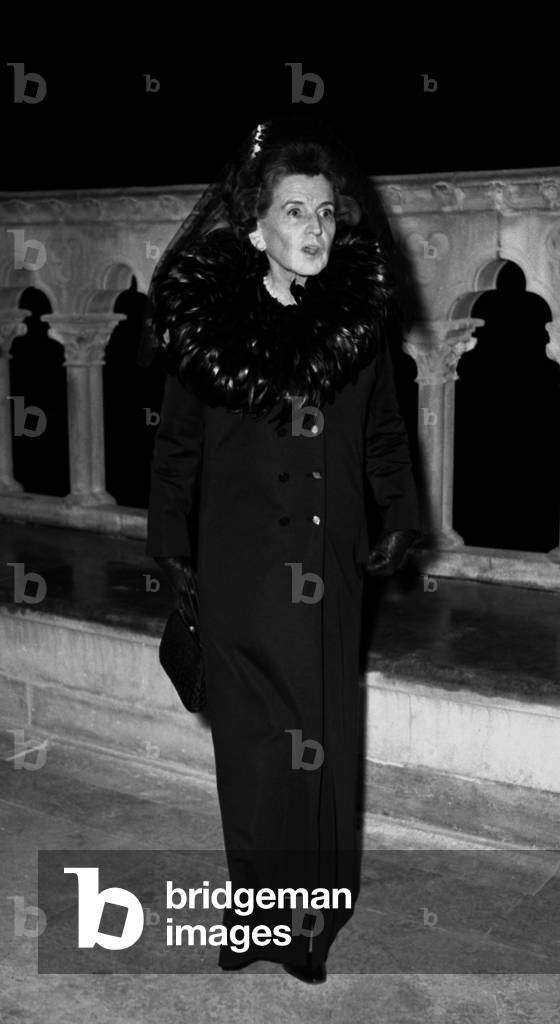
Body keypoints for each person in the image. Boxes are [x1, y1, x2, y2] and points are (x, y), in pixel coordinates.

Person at [136, 115, 421, 983]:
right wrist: (171, 547)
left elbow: (380, 434)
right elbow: (177, 449)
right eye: (294, 211)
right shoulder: (211, 330)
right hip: (235, 574)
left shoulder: (357, 327)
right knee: (252, 753)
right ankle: (256, 909)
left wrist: (398, 511)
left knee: (320, 749)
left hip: (326, 579)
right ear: (258, 228)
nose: (313, 228)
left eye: (327, 213)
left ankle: (316, 915)